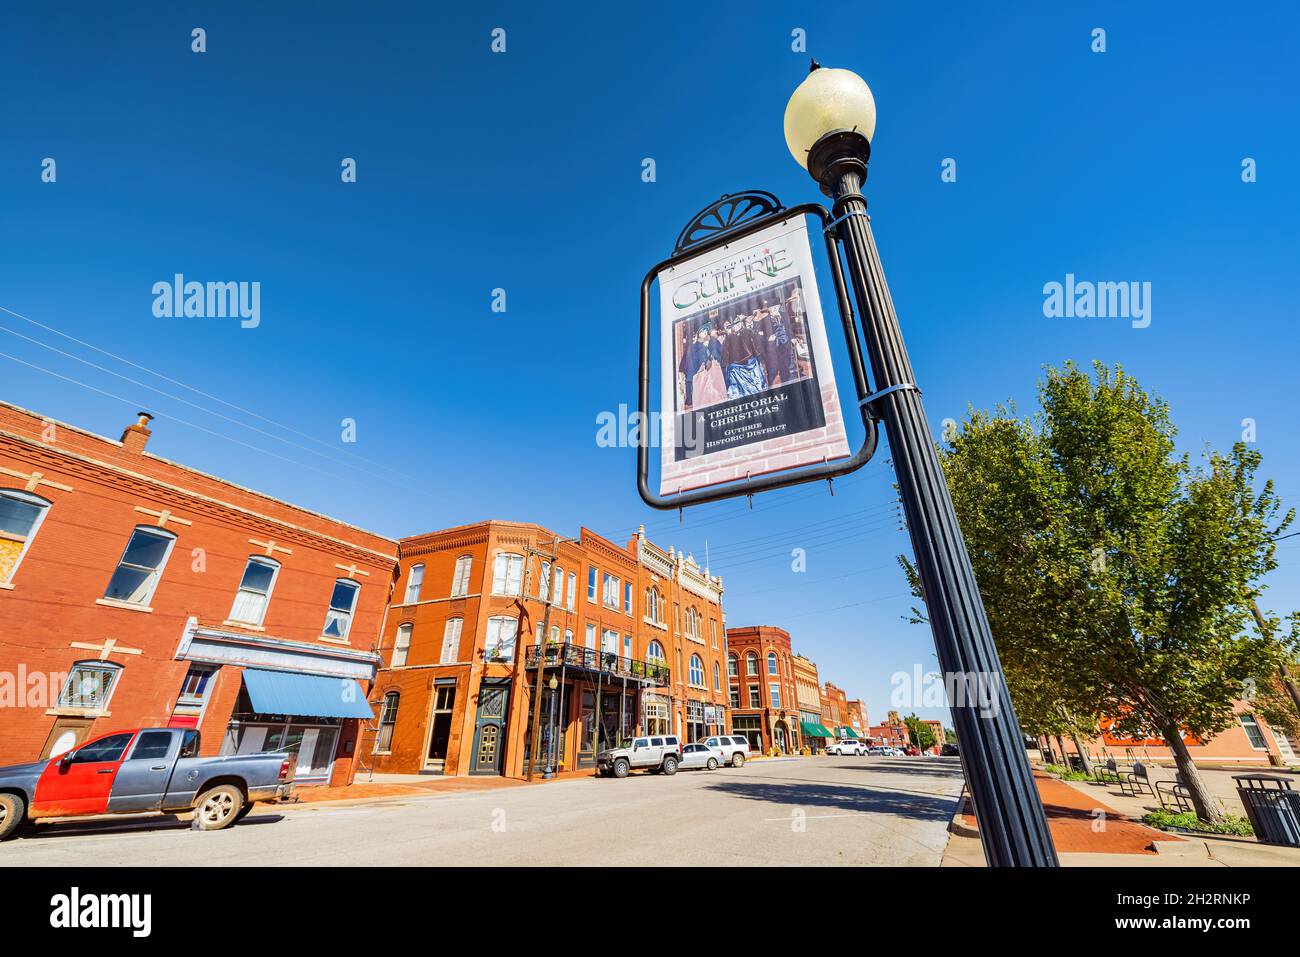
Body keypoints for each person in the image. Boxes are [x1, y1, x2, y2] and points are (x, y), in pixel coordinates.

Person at [722, 313, 767, 398]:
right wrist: (725, 363)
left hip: (750, 361)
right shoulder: (729, 337)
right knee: (735, 379)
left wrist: (760, 355)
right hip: (736, 364)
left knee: (755, 379)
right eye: (734, 326)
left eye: (737, 324)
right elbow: (726, 351)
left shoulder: (748, 332)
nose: (736, 326)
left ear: (741, 323)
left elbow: (755, 345)